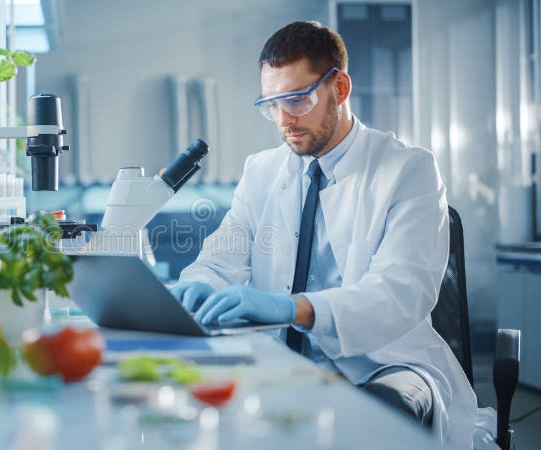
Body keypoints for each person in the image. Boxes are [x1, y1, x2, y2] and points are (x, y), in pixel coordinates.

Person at [171, 21, 476, 448]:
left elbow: (400, 291)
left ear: (341, 88)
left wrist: (296, 308)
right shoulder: (261, 172)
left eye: (297, 99)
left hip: (386, 364)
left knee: (373, 417)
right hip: (282, 363)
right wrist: (197, 287)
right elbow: (221, 258)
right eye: (271, 104)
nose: (284, 120)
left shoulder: (408, 170)